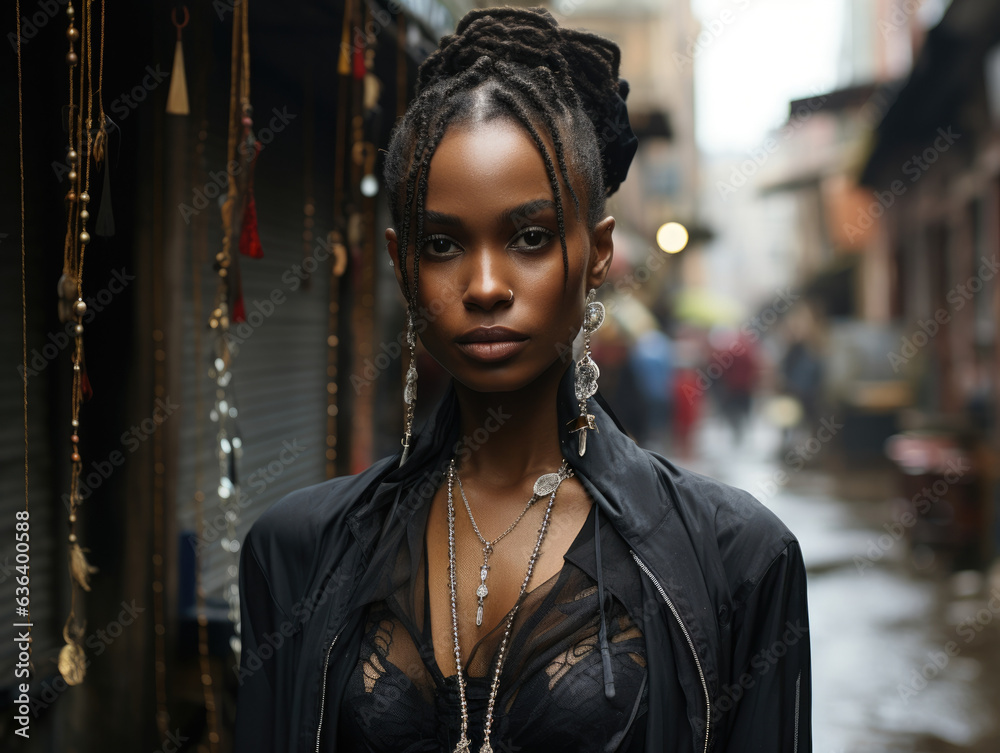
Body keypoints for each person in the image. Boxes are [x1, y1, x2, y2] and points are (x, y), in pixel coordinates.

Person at [233, 7, 811, 753]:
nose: (484, 285)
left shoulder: (739, 562)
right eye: (442, 243)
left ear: (598, 251)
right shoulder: (294, 553)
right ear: (401, 261)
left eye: (529, 238)